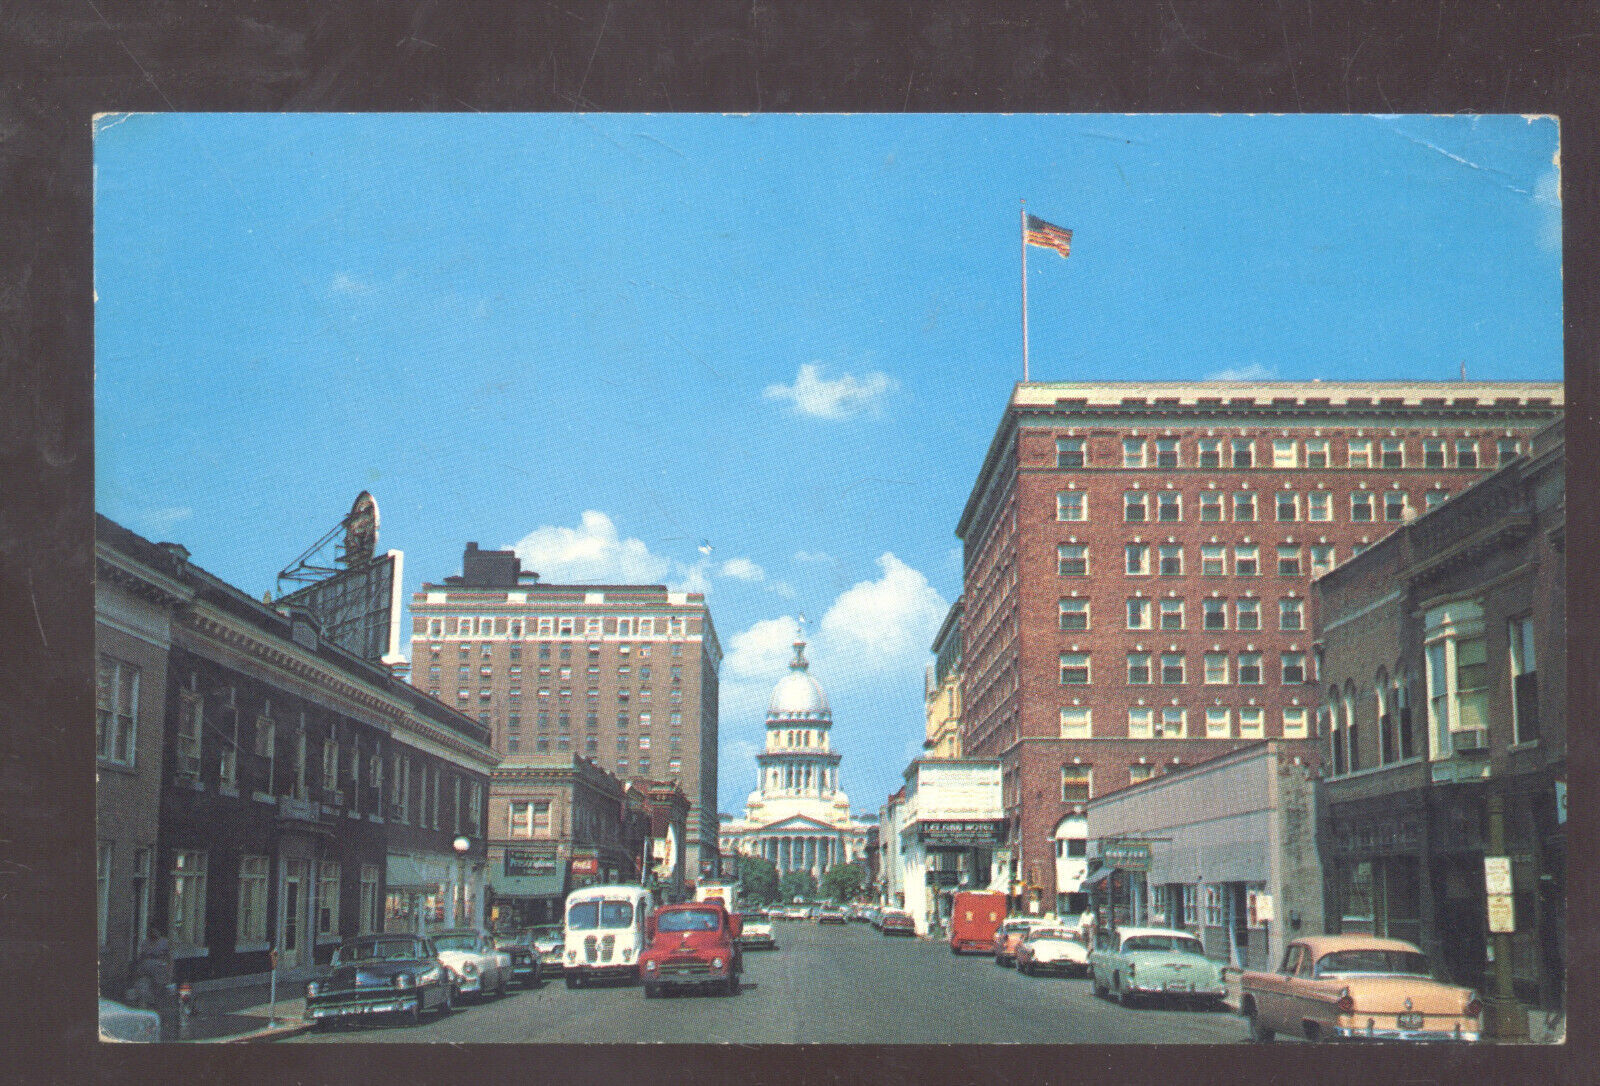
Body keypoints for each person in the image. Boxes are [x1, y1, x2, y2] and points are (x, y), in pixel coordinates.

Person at [131, 926, 176, 1039]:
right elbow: (142, 956)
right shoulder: (145, 942)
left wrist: (169, 973)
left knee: (159, 992)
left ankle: (159, 1017)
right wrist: (138, 969)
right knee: (145, 992)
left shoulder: (164, 942)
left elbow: (169, 958)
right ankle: (148, 1015)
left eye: (154, 930)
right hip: (146, 969)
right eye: (150, 931)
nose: (152, 933)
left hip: (159, 970)